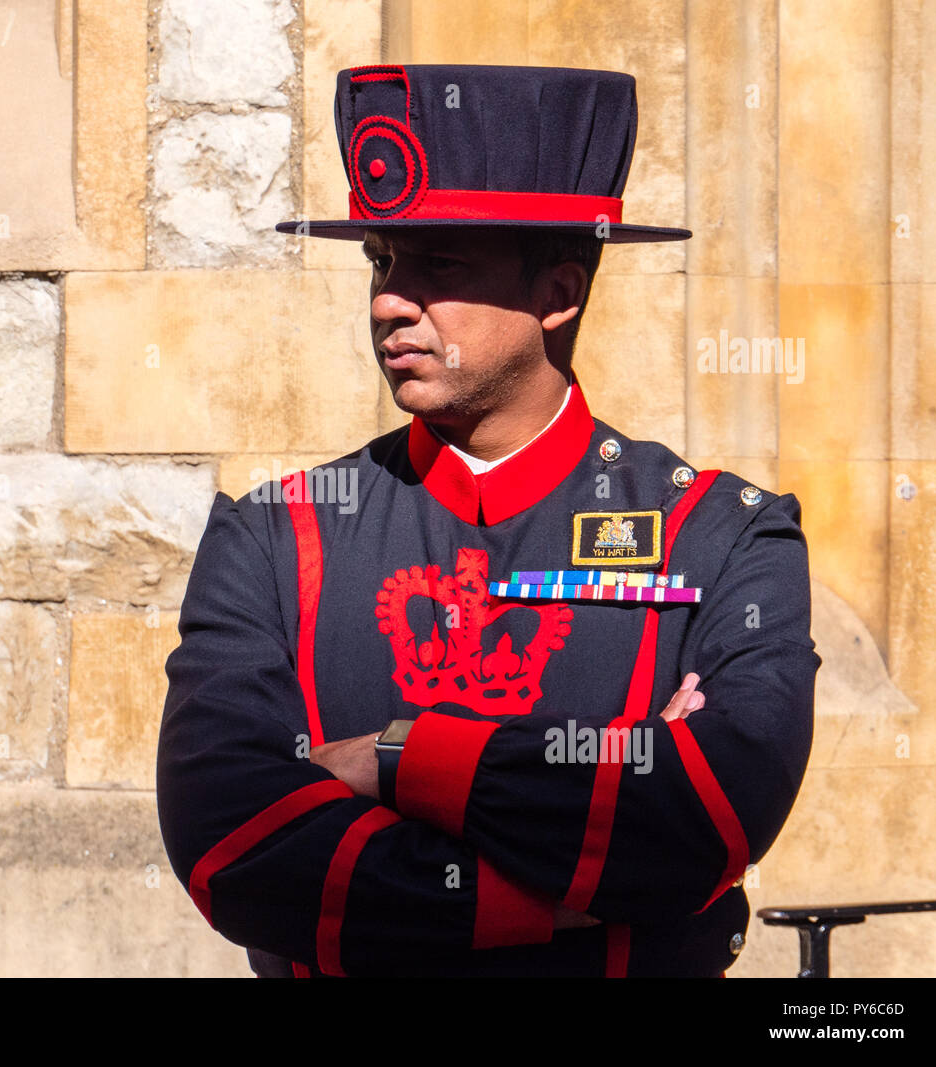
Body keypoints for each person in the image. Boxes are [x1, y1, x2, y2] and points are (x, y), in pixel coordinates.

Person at [156, 64, 819, 977]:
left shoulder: (721, 535)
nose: (391, 299)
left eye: (440, 265)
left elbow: (714, 811)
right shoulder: (273, 537)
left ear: (557, 292)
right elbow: (231, 841)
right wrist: (583, 900)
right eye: (382, 261)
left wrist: (398, 760)